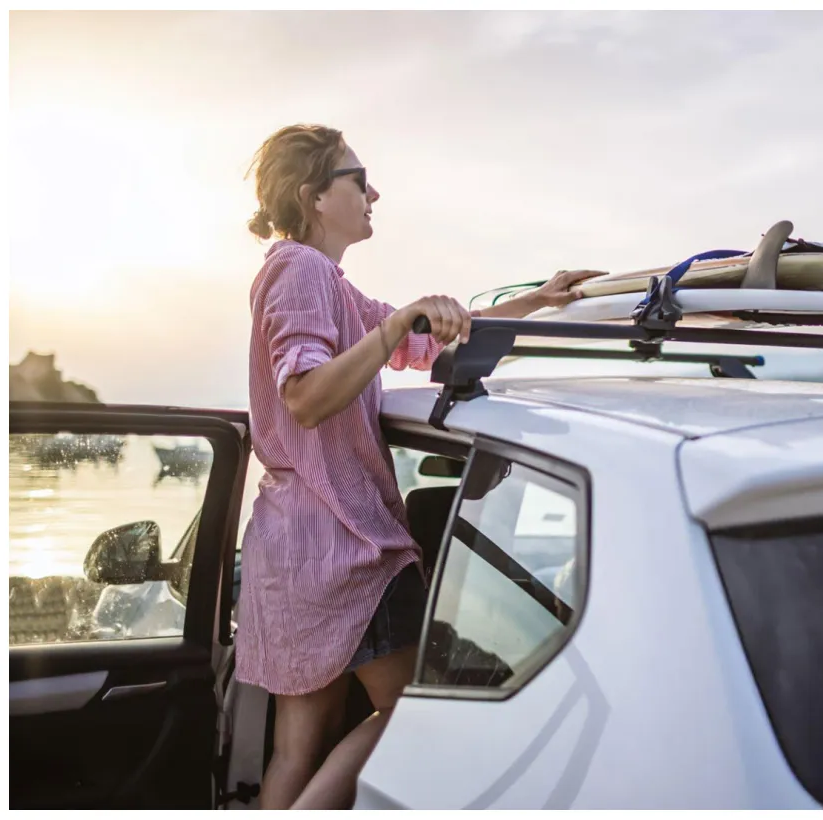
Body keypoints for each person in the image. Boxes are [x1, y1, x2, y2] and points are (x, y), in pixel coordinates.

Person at [238, 124, 602, 809]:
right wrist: (390, 328)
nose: (373, 191)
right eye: (357, 177)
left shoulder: (324, 282)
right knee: (411, 713)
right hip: (345, 550)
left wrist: (538, 302)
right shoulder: (299, 271)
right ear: (313, 196)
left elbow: (430, 338)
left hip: (296, 550)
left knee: (296, 748)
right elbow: (307, 396)